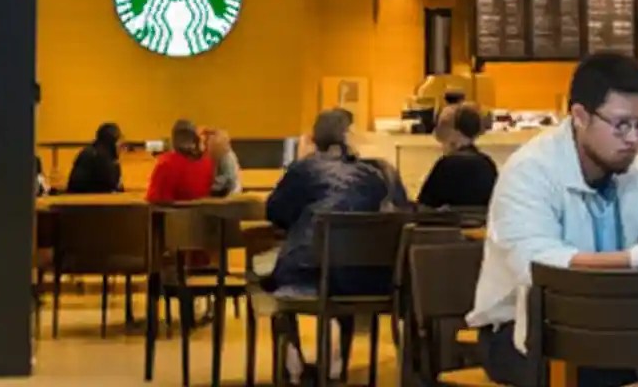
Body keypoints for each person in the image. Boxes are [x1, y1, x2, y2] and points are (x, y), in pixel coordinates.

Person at [467, 52, 638, 387]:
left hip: (616, 324)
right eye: (621, 125)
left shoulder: (637, 172)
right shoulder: (530, 171)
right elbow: (541, 267)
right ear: (580, 116)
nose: (633, 139)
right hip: (524, 331)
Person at [264, 108, 394, 382]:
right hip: (364, 277)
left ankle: (293, 360)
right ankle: (335, 362)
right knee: (337, 282)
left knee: (274, 288)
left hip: (308, 269)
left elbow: (275, 211)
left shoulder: (303, 170)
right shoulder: (374, 176)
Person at [418, 102, 498, 209]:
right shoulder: (488, 165)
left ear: (454, 132)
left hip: (449, 224)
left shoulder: (445, 166)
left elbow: (425, 206)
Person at [145, 119, 214, 203]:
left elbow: (154, 200)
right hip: (202, 214)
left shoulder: (166, 164)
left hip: (173, 215)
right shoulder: (208, 164)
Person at [65, 123, 123, 194]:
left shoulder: (91, 151)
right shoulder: (101, 157)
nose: (120, 145)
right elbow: (112, 185)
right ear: (112, 141)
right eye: (119, 141)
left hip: (75, 200)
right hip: (90, 201)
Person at [202, 127, 242, 197]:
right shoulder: (215, 155)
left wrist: (210, 186)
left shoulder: (227, 157)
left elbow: (228, 180)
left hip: (229, 194)